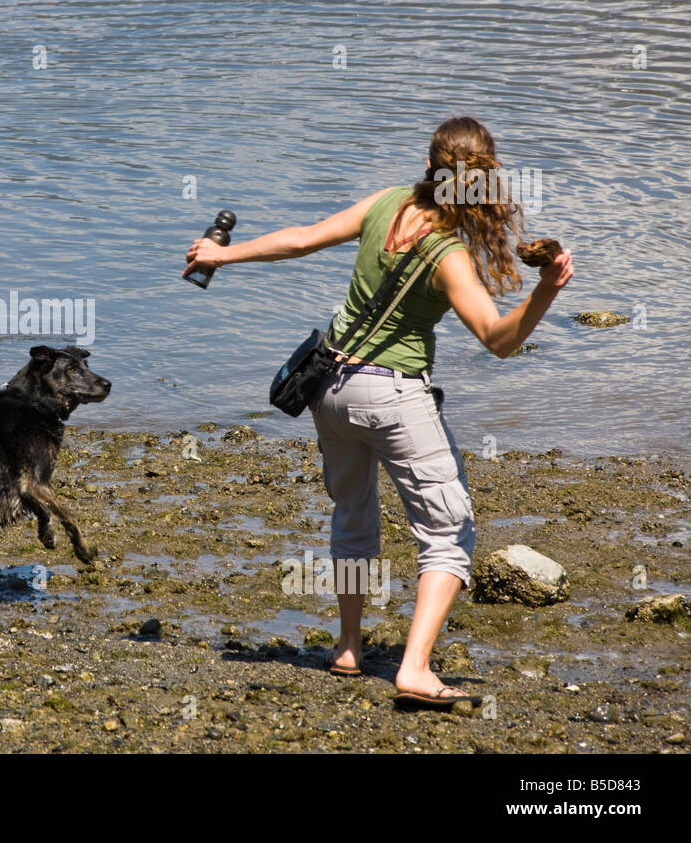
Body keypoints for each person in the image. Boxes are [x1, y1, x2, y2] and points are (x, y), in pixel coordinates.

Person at [183, 117, 574, 708]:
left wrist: (223, 253)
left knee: (353, 519)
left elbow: (301, 239)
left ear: (428, 168)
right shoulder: (449, 255)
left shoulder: (387, 203)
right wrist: (546, 290)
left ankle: (348, 647)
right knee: (448, 532)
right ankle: (414, 668)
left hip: (329, 389)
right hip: (392, 397)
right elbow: (498, 340)